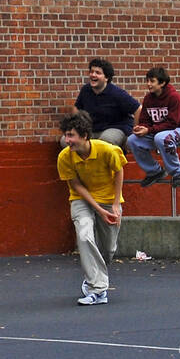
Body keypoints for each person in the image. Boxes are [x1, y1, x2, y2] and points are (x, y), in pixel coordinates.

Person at [57, 110, 126, 305]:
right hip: (81, 199)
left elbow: (119, 171)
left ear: (84, 136)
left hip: (108, 198)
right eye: (66, 135)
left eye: (71, 135)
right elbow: (76, 185)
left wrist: (114, 205)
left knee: (108, 249)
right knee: (85, 235)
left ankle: (93, 277)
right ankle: (98, 289)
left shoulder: (106, 150)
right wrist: (97, 209)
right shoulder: (65, 157)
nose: (67, 140)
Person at [130, 66, 180, 188]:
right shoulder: (148, 98)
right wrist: (141, 128)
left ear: (162, 82)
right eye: (147, 81)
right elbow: (145, 120)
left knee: (161, 138)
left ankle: (178, 172)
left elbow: (172, 123)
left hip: (179, 131)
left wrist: (150, 129)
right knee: (132, 140)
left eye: (152, 81)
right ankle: (154, 171)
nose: (149, 84)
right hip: (157, 132)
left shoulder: (174, 97)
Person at [71, 58, 139, 148]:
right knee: (68, 140)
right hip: (93, 129)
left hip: (115, 128)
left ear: (106, 78)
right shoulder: (86, 90)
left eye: (98, 73)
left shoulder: (117, 93)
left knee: (105, 142)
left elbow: (138, 109)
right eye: (91, 72)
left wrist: (134, 134)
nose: (93, 75)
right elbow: (76, 108)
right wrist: (76, 127)